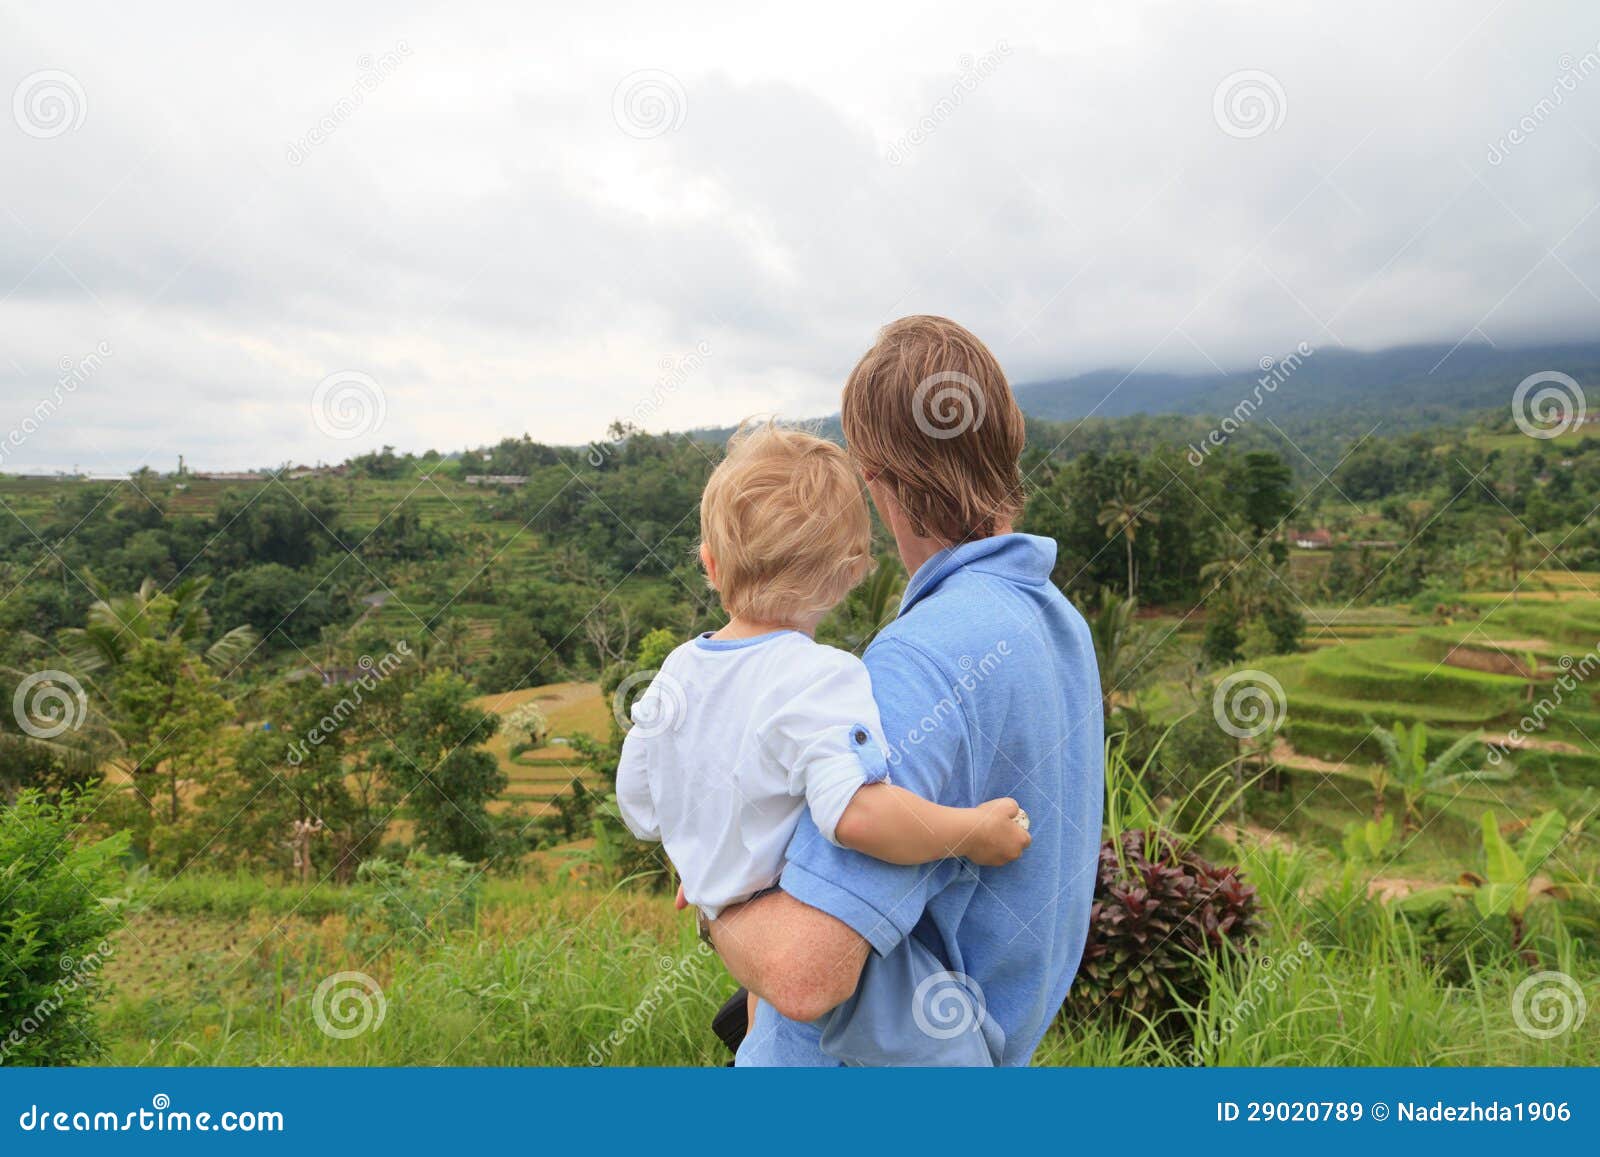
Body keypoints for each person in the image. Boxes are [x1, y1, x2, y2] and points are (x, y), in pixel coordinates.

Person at [707, 315, 1105, 1066]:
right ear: (1006, 443)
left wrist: (711, 895)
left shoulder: (916, 663)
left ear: (875, 477)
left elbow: (806, 970)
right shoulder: (1060, 625)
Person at [616, 421, 1033, 1060]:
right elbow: (856, 816)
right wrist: (974, 833)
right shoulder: (821, 677)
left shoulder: (675, 672)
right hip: (818, 942)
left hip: (742, 919)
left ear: (710, 561)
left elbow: (641, 807)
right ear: (852, 573)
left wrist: (706, 860)